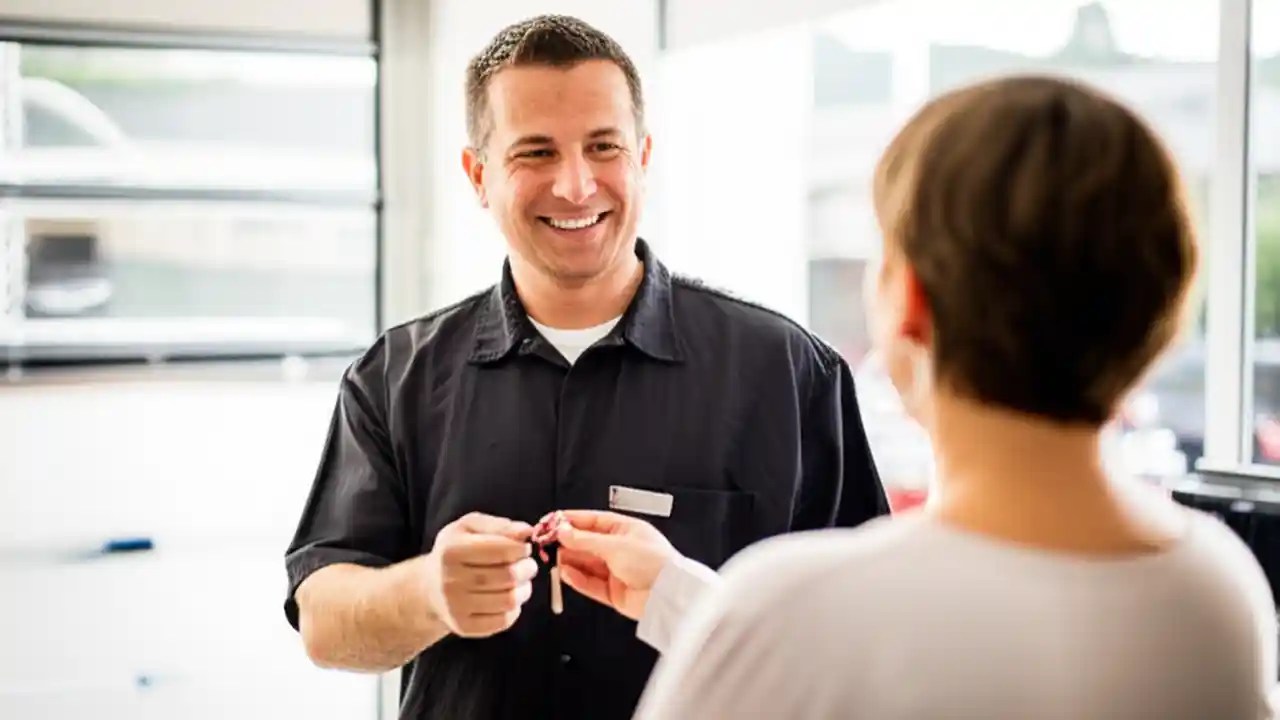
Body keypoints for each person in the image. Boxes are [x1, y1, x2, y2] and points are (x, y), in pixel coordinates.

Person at [555, 74, 1279, 719]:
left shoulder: (787, 609)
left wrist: (716, 618)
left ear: (909, 301)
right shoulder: (1218, 593)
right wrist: (683, 597)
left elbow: (829, 645)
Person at [281, 13, 888, 720]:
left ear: (643, 156)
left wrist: (685, 595)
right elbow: (325, 622)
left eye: (604, 147)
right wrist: (427, 594)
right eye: (535, 153)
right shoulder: (393, 377)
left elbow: (864, 636)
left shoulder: (787, 372)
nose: (576, 186)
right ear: (478, 174)